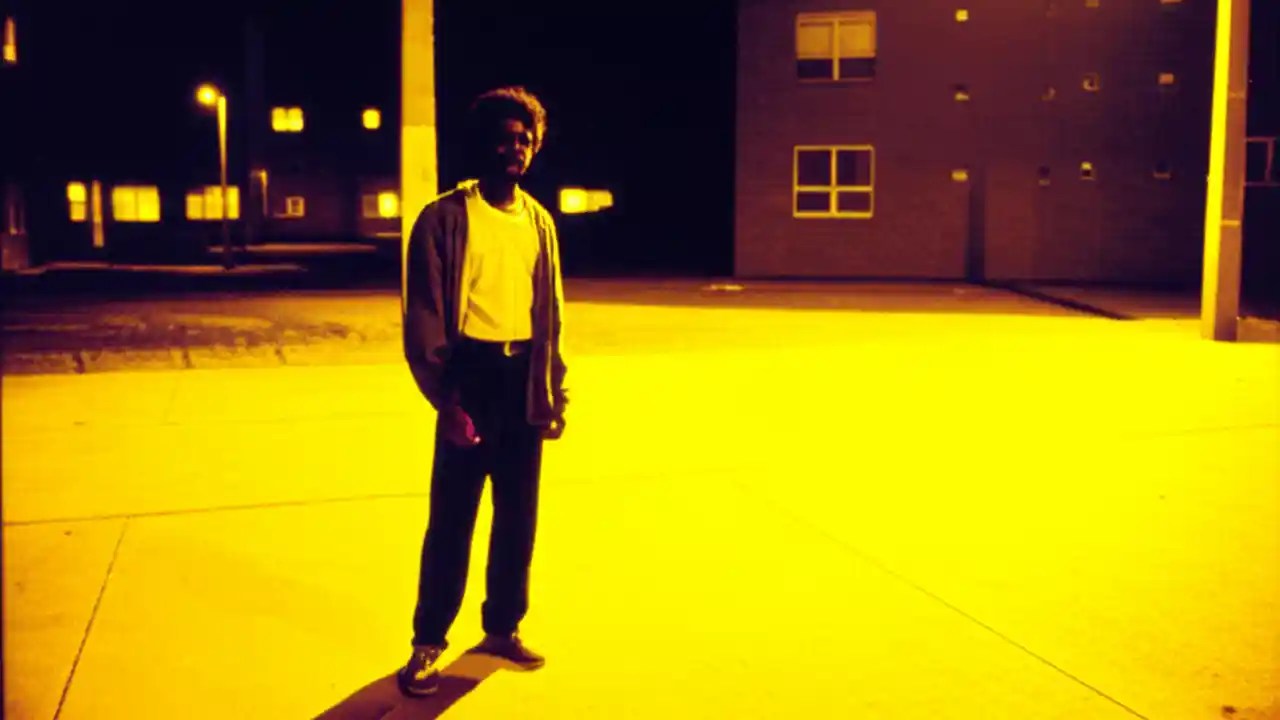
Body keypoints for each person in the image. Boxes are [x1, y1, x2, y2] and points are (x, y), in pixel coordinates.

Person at [397, 86, 568, 698]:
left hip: (522, 378)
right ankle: (427, 643)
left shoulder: (540, 223)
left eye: (525, 139)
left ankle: (502, 627)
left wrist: (554, 390)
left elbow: (550, 314)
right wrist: (447, 398)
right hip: (469, 375)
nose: (515, 147)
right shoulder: (444, 219)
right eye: (505, 135)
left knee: (518, 519)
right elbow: (424, 318)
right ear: (483, 141)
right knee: (452, 519)